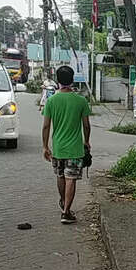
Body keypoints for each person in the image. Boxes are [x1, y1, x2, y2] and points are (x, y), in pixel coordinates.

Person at [42, 65, 91, 225]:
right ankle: (66, 212)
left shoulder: (51, 101)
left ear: (58, 80)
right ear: (72, 80)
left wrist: (45, 146)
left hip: (58, 148)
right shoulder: (81, 101)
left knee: (61, 176)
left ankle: (64, 202)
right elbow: (86, 125)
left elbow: (46, 126)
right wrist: (87, 141)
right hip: (75, 149)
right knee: (71, 179)